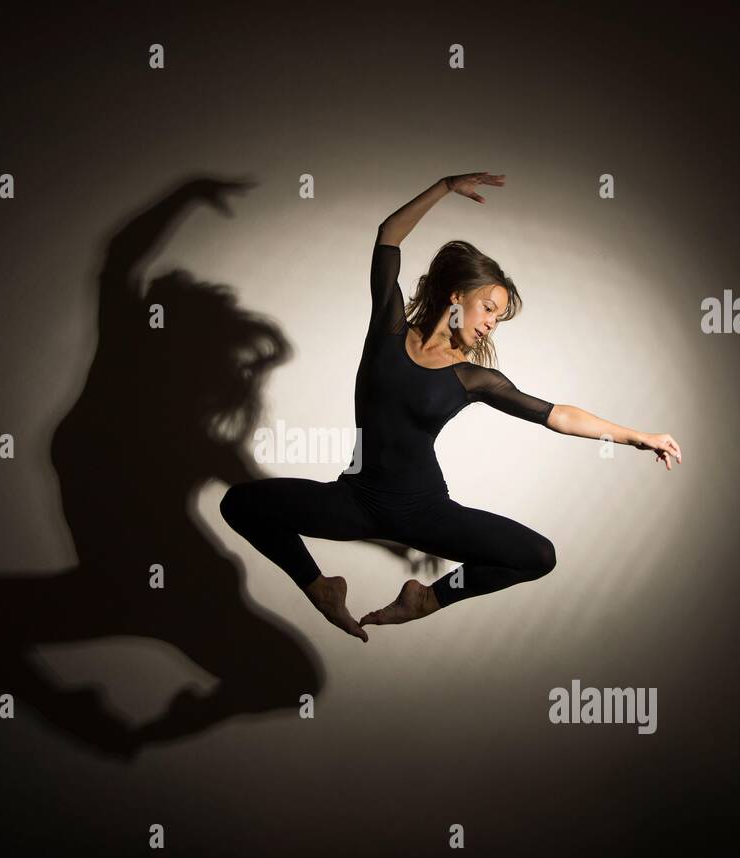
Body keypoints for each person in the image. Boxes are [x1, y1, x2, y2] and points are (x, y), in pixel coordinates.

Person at [221, 173, 682, 641]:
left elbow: (555, 414)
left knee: (537, 556)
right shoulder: (389, 327)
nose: (490, 326)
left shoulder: (472, 378)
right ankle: (321, 589)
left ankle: (427, 598)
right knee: (240, 504)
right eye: (489, 309)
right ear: (457, 295)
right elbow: (388, 236)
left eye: (499, 320)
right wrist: (443, 187)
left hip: (424, 510)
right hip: (355, 501)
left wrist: (637, 437)